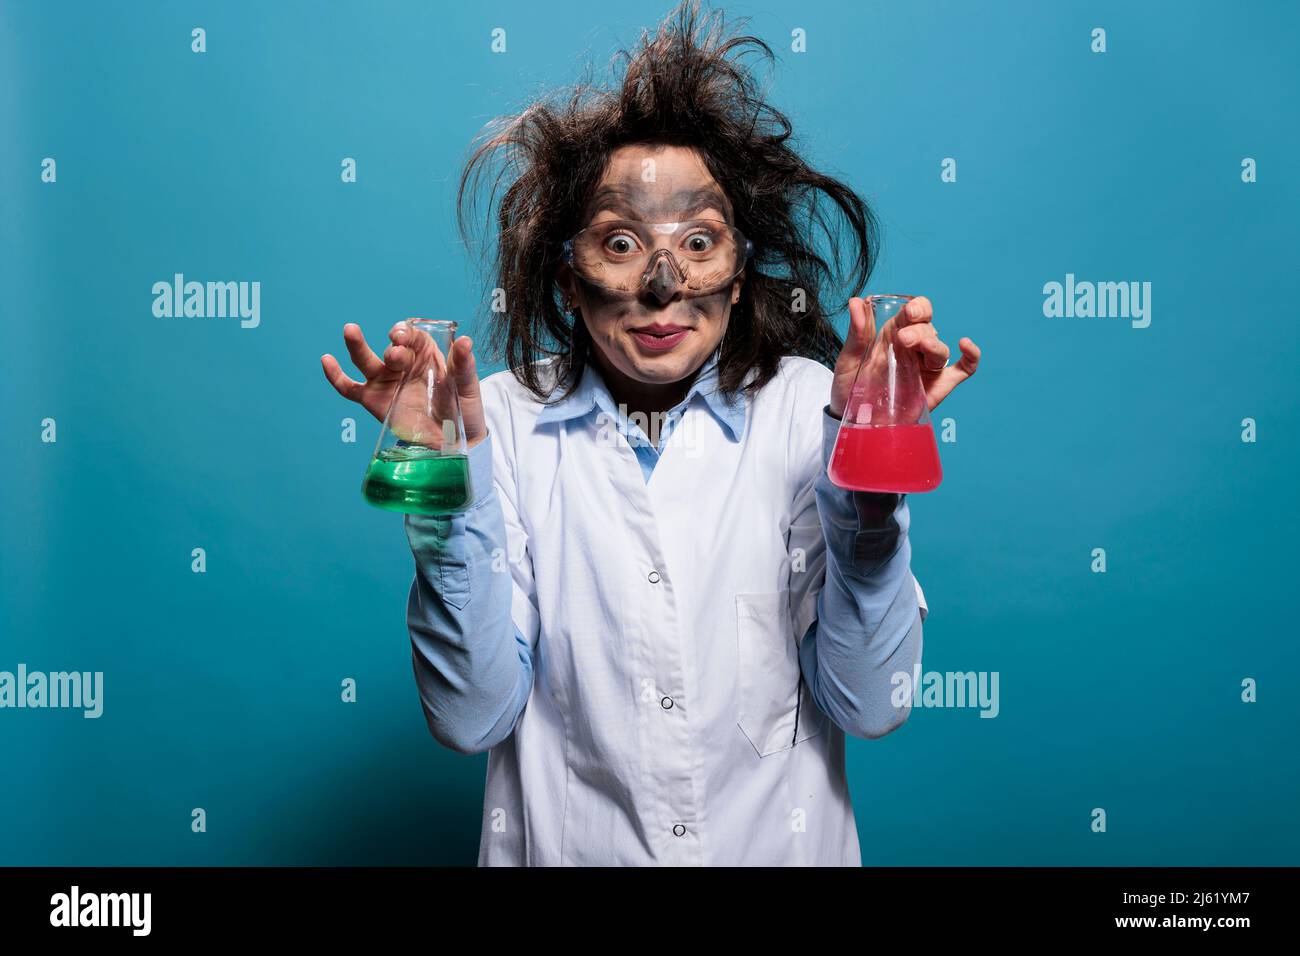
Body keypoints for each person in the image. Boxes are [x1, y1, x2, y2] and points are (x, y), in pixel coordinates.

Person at [321, 1, 979, 866]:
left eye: (699, 242)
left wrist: (867, 478)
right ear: (566, 278)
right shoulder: (504, 426)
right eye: (622, 242)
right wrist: (443, 489)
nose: (663, 285)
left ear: (741, 277)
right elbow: (472, 717)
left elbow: (871, 704)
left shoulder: (809, 410)